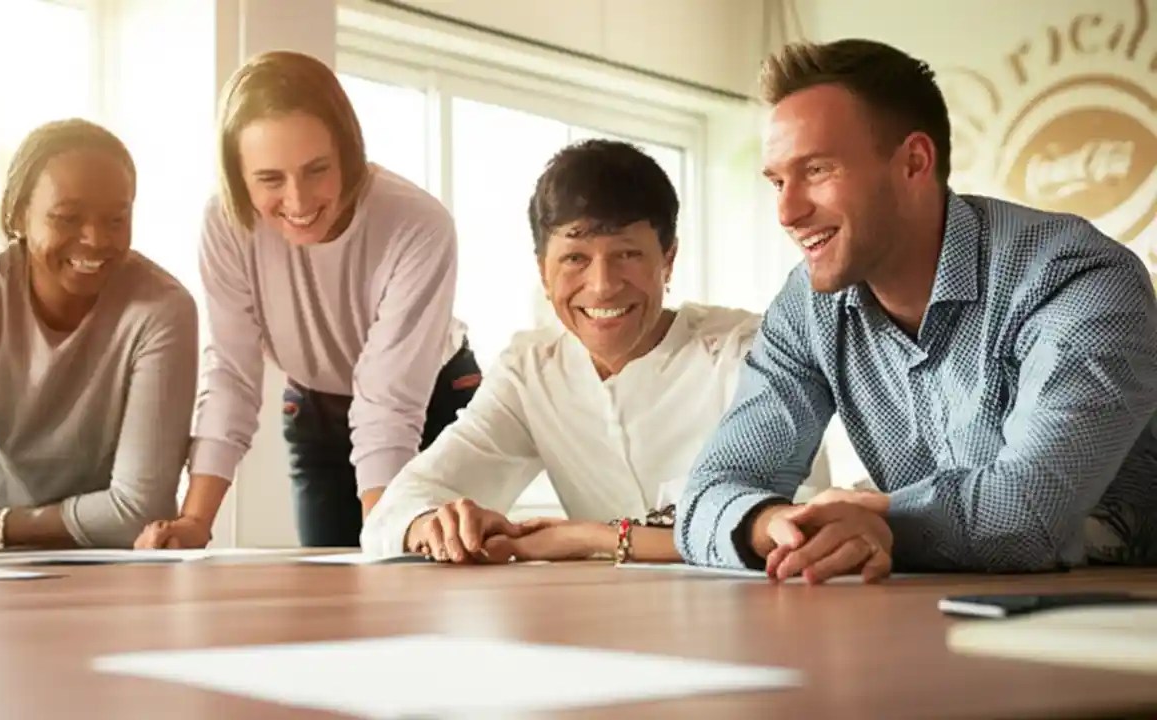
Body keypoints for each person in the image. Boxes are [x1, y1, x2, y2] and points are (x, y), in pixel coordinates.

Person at [676, 38, 1157, 584]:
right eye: (778, 181)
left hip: (1124, 612)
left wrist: (878, 523)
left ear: (914, 162)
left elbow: (1027, 514)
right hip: (934, 605)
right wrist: (776, 526)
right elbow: (706, 497)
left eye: (818, 170)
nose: (787, 212)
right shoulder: (808, 306)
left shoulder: (1078, 277)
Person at [362, 139, 830, 564]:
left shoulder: (747, 351)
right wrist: (431, 524)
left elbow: (789, 527)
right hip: (600, 615)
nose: (602, 286)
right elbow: (392, 514)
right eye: (575, 258)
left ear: (668, 260)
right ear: (543, 272)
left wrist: (588, 538)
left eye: (627, 254)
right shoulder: (530, 371)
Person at [135, 51, 478, 550]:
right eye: (270, 179)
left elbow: (389, 400)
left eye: (317, 170)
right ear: (238, 176)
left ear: (347, 153)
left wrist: (384, 539)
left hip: (433, 403)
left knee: (421, 573)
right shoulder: (226, 224)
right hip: (316, 407)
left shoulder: (418, 224)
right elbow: (231, 374)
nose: (298, 201)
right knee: (333, 584)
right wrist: (194, 522)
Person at [0, 119, 198, 559]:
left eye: (116, 219)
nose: (96, 240)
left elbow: (137, 510)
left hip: (107, 540)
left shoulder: (162, 308)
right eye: (67, 218)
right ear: (18, 215)